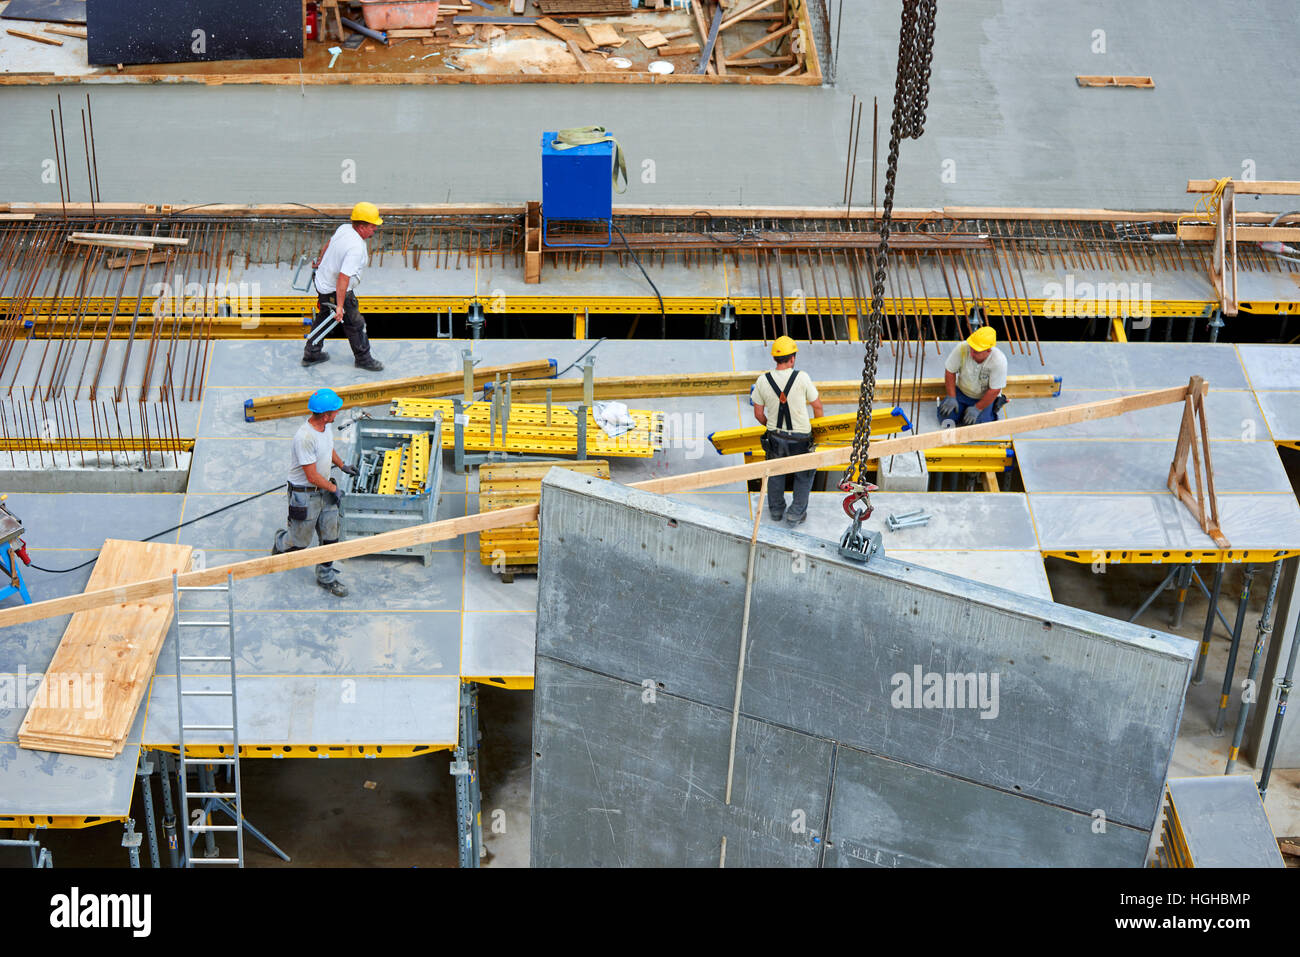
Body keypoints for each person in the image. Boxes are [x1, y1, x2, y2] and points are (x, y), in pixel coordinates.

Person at [272, 388, 358, 597]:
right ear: (326, 414)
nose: (337, 413)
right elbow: (311, 476)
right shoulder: (305, 437)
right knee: (300, 542)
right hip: (305, 495)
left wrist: (343, 465)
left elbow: (329, 449)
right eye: (335, 411)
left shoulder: (325, 428)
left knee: (330, 538)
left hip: (324, 490)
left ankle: (326, 577)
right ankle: (281, 541)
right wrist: (334, 489)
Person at [303, 201, 385, 372]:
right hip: (336, 289)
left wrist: (320, 261)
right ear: (362, 227)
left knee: (325, 316)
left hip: (322, 282)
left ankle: (311, 353)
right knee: (355, 324)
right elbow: (343, 278)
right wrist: (340, 306)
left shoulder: (345, 228)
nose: (375, 229)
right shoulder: (355, 247)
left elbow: (329, 244)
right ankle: (364, 359)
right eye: (372, 226)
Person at [752, 336, 823, 526]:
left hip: (776, 437)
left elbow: (758, 414)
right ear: (792, 358)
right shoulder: (802, 378)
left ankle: (775, 511)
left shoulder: (762, 380)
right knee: (804, 475)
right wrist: (818, 430)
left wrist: (772, 427)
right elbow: (817, 406)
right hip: (801, 438)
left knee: (775, 473)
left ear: (775, 358)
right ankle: (795, 514)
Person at [938, 325, 1007, 426]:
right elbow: (950, 371)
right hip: (961, 392)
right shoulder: (962, 348)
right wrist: (951, 396)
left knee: (977, 427)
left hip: (983, 397)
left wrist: (977, 408)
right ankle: (962, 408)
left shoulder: (999, 361)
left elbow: (994, 390)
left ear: (988, 351)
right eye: (971, 349)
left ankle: (995, 405)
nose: (971, 354)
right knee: (946, 419)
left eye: (976, 352)